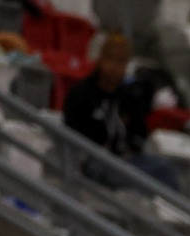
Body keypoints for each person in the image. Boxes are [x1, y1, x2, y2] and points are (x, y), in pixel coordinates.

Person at [61, 33, 182, 193]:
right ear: (100, 60)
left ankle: (170, 214)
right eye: (110, 59)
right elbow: (73, 133)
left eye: (121, 62)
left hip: (123, 160)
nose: (114, 67)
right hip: (91, 160)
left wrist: (130, 147)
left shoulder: (128, 97)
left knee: (165, 169)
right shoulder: (81, 93)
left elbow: (140, 133)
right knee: (125, 174)